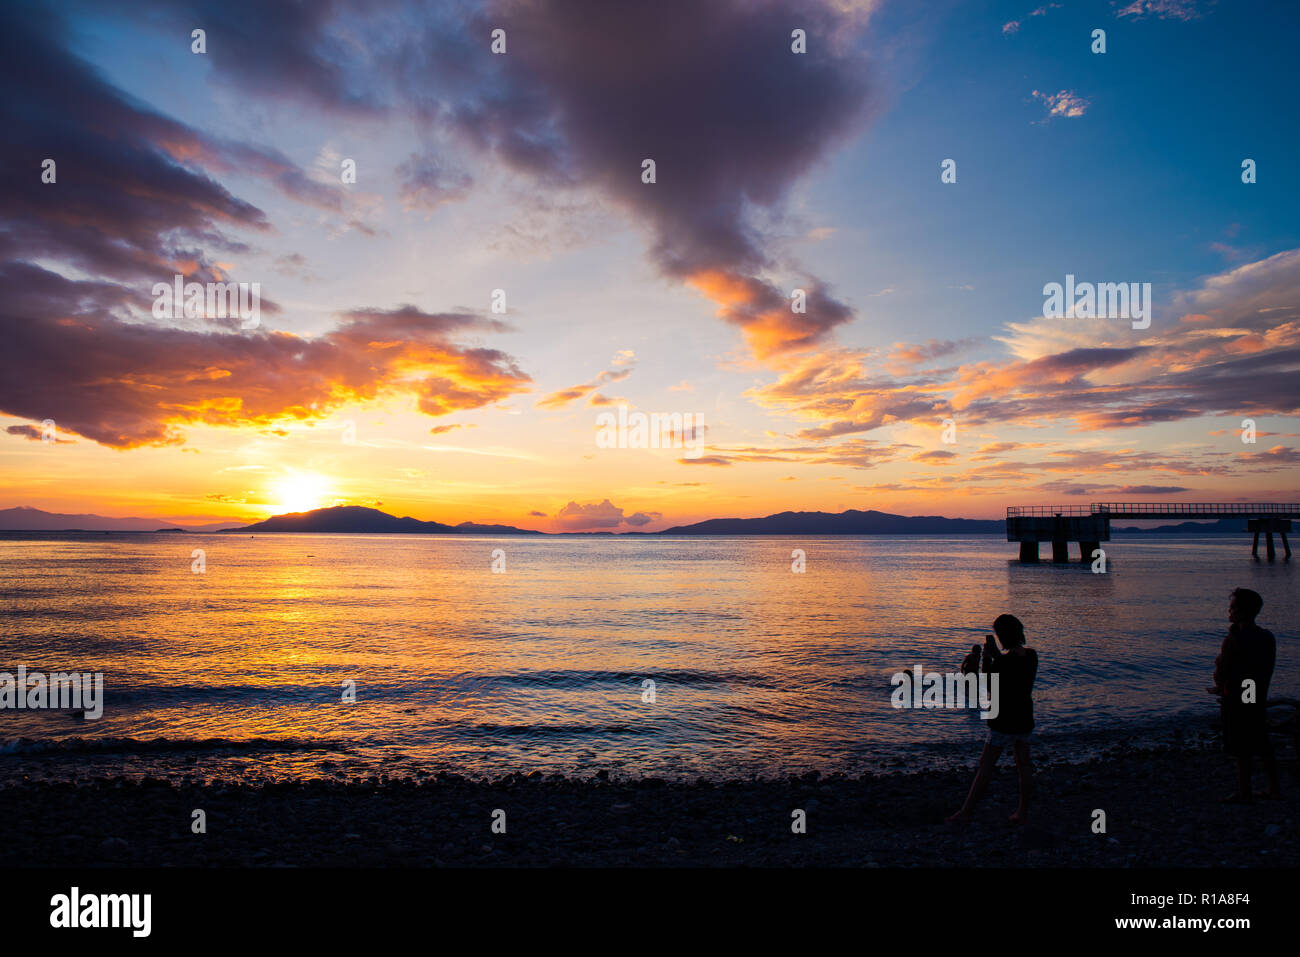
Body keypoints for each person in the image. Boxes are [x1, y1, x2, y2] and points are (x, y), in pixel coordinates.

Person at [947, 614, 1038, 825]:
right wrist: (996, 658)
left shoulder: (1003, 662)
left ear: (1002, 636)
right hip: (1024, 718)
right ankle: (1022, 812)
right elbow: (1015, 672)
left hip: (1004, 720)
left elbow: (989, 685)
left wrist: (988, 660)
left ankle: (966, 811)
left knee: (985, 766)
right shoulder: (1032, 656)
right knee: (1024, 764)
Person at [1208, 588, 1281, 802]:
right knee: (1262, 743)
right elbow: (1260, 669)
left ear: (1241, 611)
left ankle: (1244, 792)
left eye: (1232, 607)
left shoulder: (1234, 640)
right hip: (1257, 695)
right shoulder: (1267, 637)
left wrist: (1221, 687)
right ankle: (1274, 789)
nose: (1229, 610)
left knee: (1241, 747)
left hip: (1238, 699)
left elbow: (1223, 671)